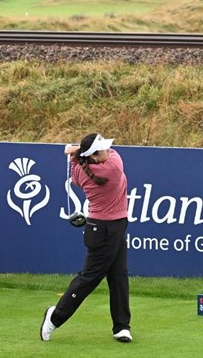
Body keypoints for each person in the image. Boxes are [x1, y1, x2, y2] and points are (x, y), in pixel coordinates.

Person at [40, 133, 132, 343]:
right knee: (89, 279)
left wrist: (76, 152)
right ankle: (55, 317)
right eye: (103, 150)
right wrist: (77, 149)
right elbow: (115, 154)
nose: (108, 151)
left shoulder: (80, 171)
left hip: (109, 227)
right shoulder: (114, 167)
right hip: (104, 231)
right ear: (95, 157)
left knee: (119, 276)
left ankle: (121, 326)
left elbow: (80, 164)